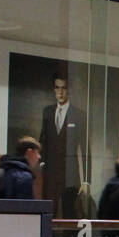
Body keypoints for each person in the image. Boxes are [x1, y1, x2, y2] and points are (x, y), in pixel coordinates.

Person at [38, 70, 90, 219]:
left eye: (63, 88)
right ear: (54, 89)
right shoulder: (47, 112)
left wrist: (86, 180)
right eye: (57, 87)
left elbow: (86, 148)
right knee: (48, 214)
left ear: (68, 90)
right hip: (50, 174)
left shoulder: (79, 115)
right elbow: (43, 140)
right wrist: (42, 166)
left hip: (70, 176)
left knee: (70, 214)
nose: (60, 92)